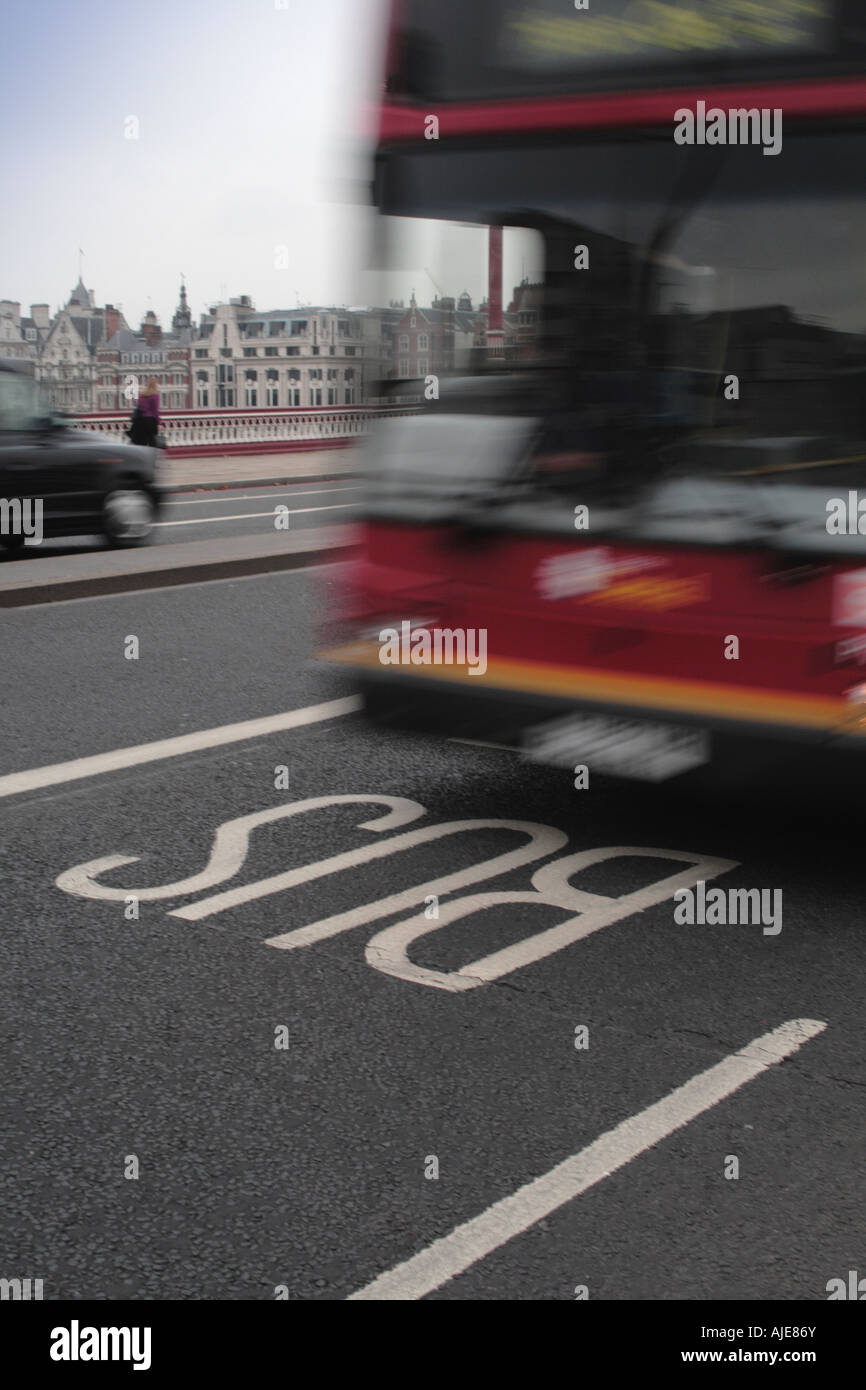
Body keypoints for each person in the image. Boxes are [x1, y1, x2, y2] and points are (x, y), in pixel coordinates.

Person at [128, 376, 161, 446]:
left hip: (140, 421)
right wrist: (159, 423)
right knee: (152, 441)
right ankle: (151, 456)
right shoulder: (155, 396)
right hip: (150, 421)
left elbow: (139, 407)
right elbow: (155, 411)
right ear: (155, 385)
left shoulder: (141, 395)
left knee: (142, 442)